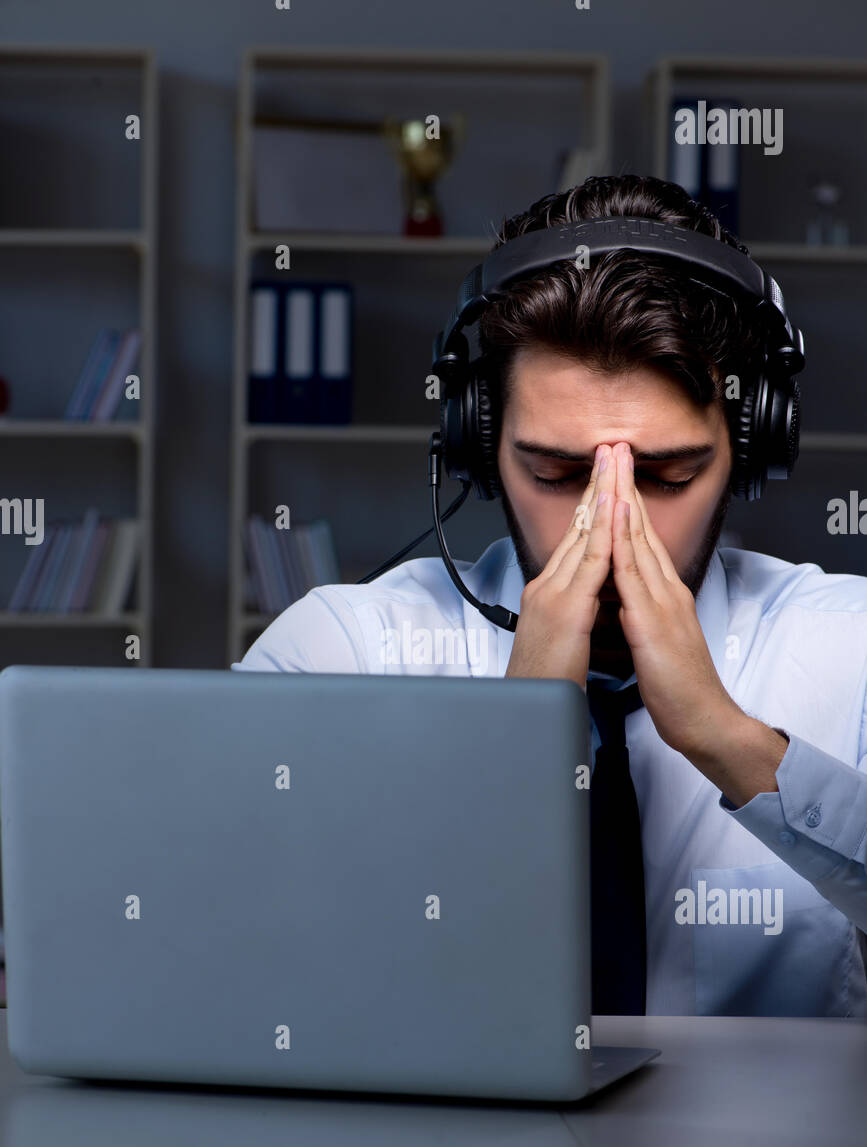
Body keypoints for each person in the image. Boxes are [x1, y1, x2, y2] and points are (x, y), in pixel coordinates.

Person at [233, 174, 867, 1017]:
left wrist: (735, 747)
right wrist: (510, 753)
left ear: (749, 453)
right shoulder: (335, 656)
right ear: (477, 448)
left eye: (668, 474)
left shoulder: (850, 650)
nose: (610, 523)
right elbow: (233, 971)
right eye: (557, 473)